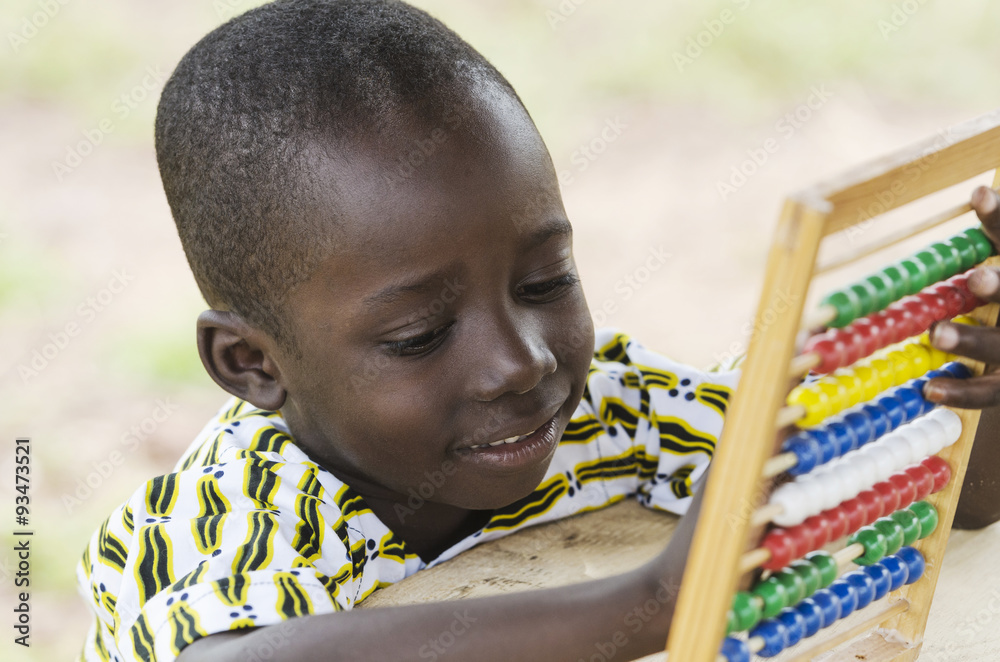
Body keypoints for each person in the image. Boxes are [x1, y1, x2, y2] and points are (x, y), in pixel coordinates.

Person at [75, 1, 1000, 660]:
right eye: (419, 335)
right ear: (252, 365)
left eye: (546, 279)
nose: (522, 362)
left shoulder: (616, 414)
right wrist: (655, 603)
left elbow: (922, 504)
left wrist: (979, 402)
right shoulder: (229, 518)